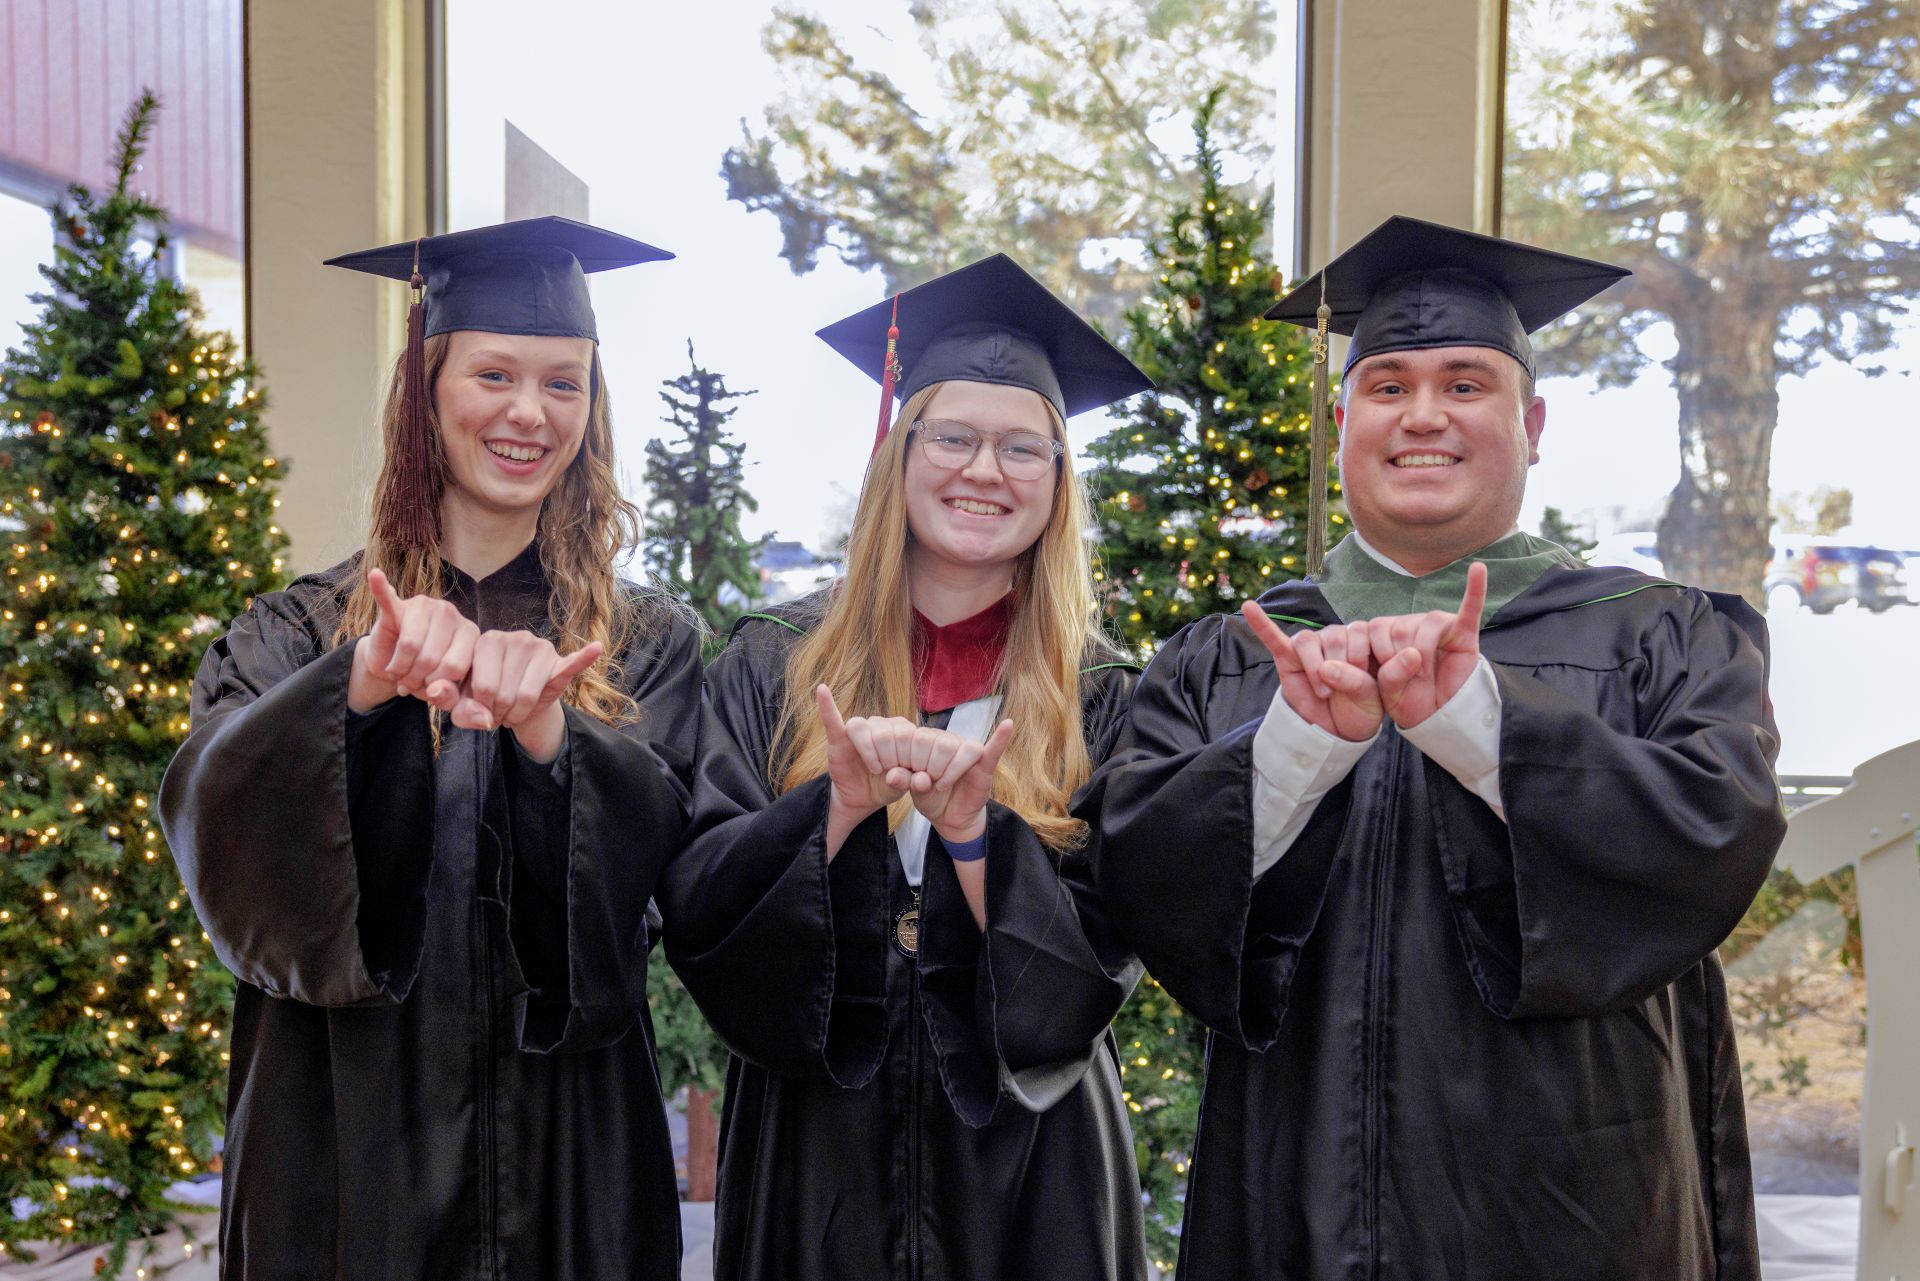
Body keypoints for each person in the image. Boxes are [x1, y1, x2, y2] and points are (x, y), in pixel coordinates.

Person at [1080, 216, 1787, 1280]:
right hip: (1294, 1199)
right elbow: (1133, 879)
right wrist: (1290, 750)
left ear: (1533, 421)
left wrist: (1479, 727)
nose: (1423, 416)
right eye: (1389, 385)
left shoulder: (1660, 633)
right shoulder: (1233, 657)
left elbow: (1718, 829)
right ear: (1342, 416)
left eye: (1466, 384)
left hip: (1577, 1209)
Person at [159, 217, 700, 1280]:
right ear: (426, 392)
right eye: (493, 373)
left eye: (564, 384)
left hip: (571, 1148)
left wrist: (554, 740)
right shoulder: (296, 632)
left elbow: (664, 883)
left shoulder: (643, 647)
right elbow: (221, 845)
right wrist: (356, 697)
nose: (528, 413)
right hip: (344, 1138)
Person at [659, 255, 1154, 1281]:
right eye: (956, 438)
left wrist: (978, 841)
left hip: (1035, 1158)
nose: (986, 471)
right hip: (814, 1157)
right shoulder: (772, 664)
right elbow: (702, 917)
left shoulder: (1104, 694)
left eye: (1025, 448)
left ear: (1059, 483)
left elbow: (1111, 956)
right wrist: (833, 813)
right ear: (901, 452)